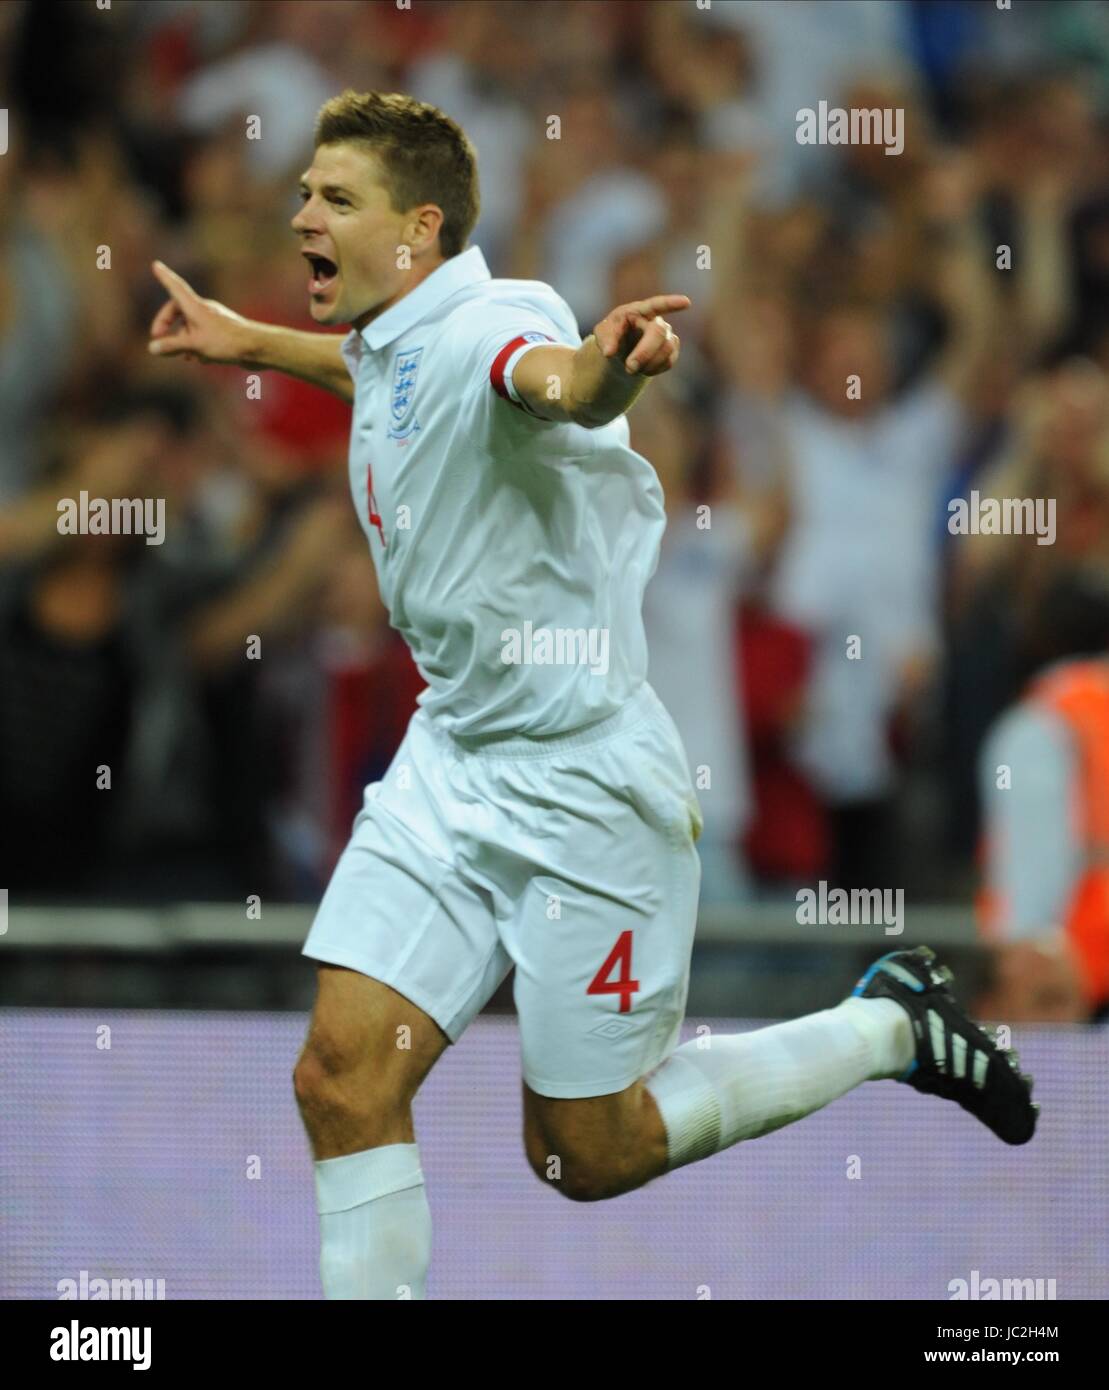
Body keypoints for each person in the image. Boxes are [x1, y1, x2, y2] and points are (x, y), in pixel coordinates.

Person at [148, 90, 1037, 1302]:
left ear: (417, 231)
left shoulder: (500, 323)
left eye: (332, 198)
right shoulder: (403, 329)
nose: (299, 209)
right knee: (337, 1077)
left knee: (584, 1152)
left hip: (585, 787)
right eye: (304, 189)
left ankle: (886, 1023)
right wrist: (246, 339)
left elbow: (546, 382)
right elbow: (381, 376)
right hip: (453, 760)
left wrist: (609, 372)